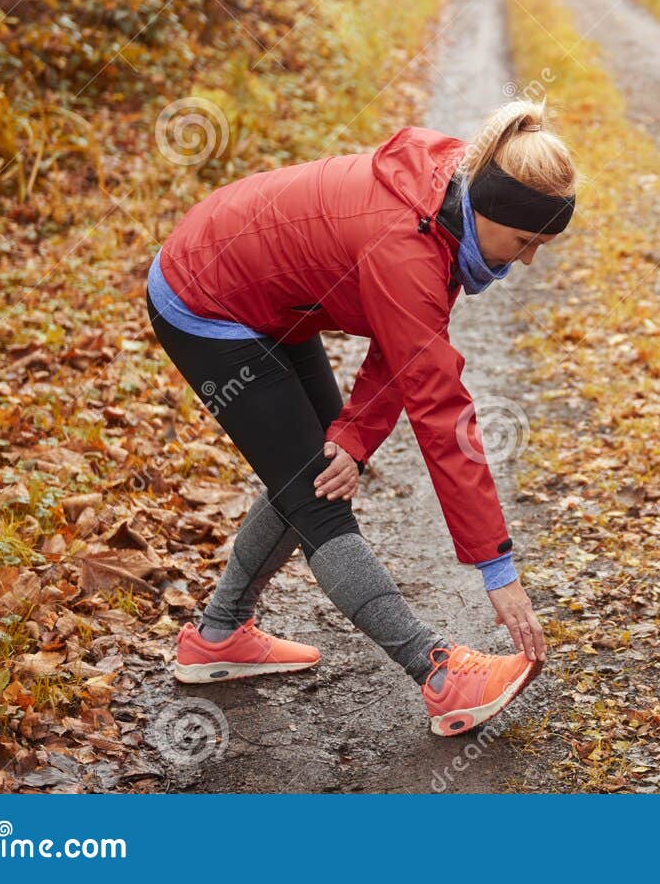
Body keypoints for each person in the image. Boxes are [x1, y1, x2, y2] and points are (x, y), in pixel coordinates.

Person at [146, 101, 574, 735]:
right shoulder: (407, 242)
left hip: (272, 297)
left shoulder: (450, 201)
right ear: (488, 211)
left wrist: (353, 433)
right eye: (524, 242)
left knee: (313, 468)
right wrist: (497, 569)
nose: (528, 260)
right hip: (205, 297)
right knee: (317, 499)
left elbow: (407, 343)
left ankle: (218, 636)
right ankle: (438, 673)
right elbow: (440, 407)